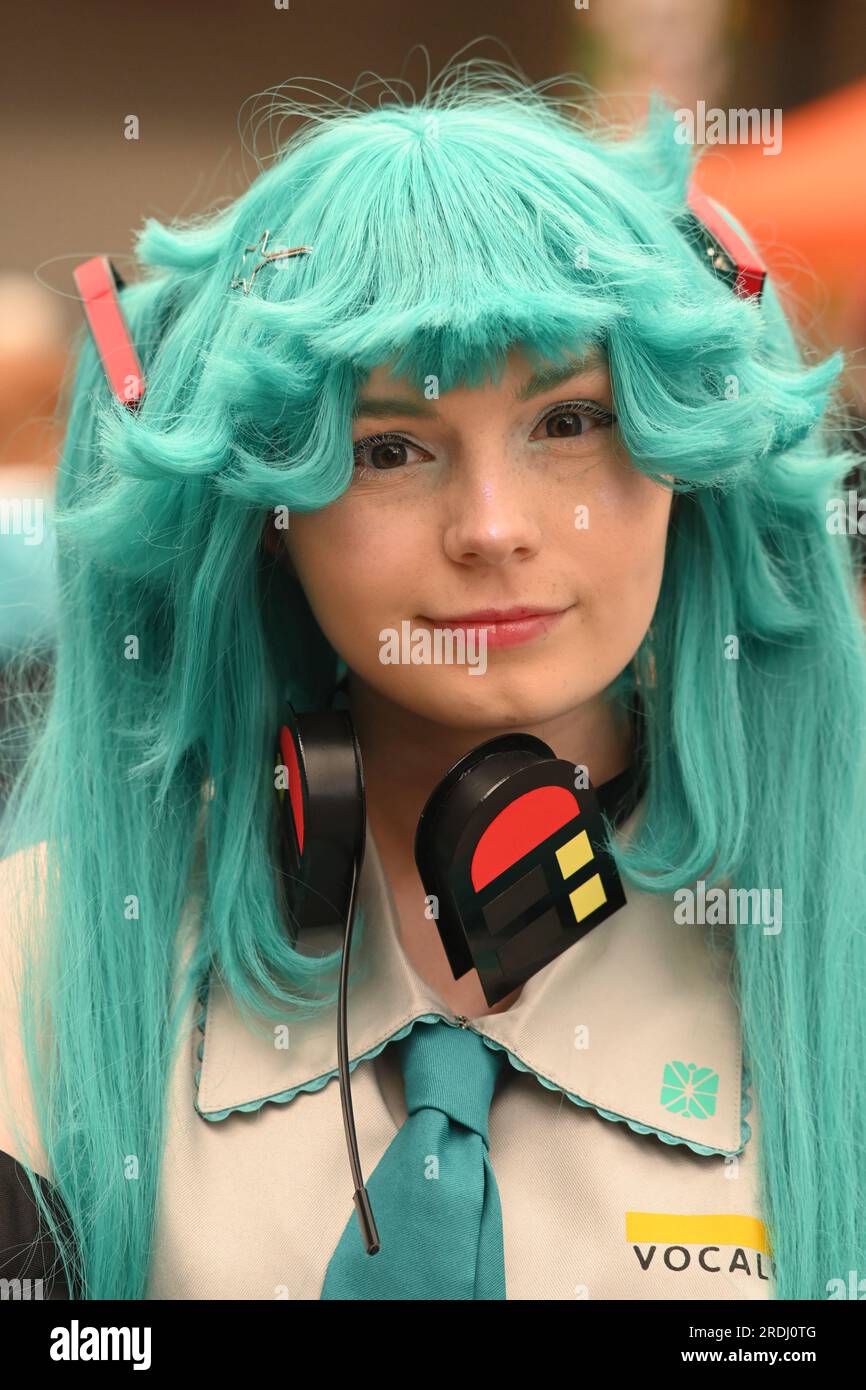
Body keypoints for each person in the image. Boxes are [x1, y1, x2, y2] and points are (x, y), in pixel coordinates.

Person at [1, 61, 864, 1302]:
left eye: (567, 420)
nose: (493, 528)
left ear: (688, 459)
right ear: (262, 512)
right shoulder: (39, 960)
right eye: (390, 448)